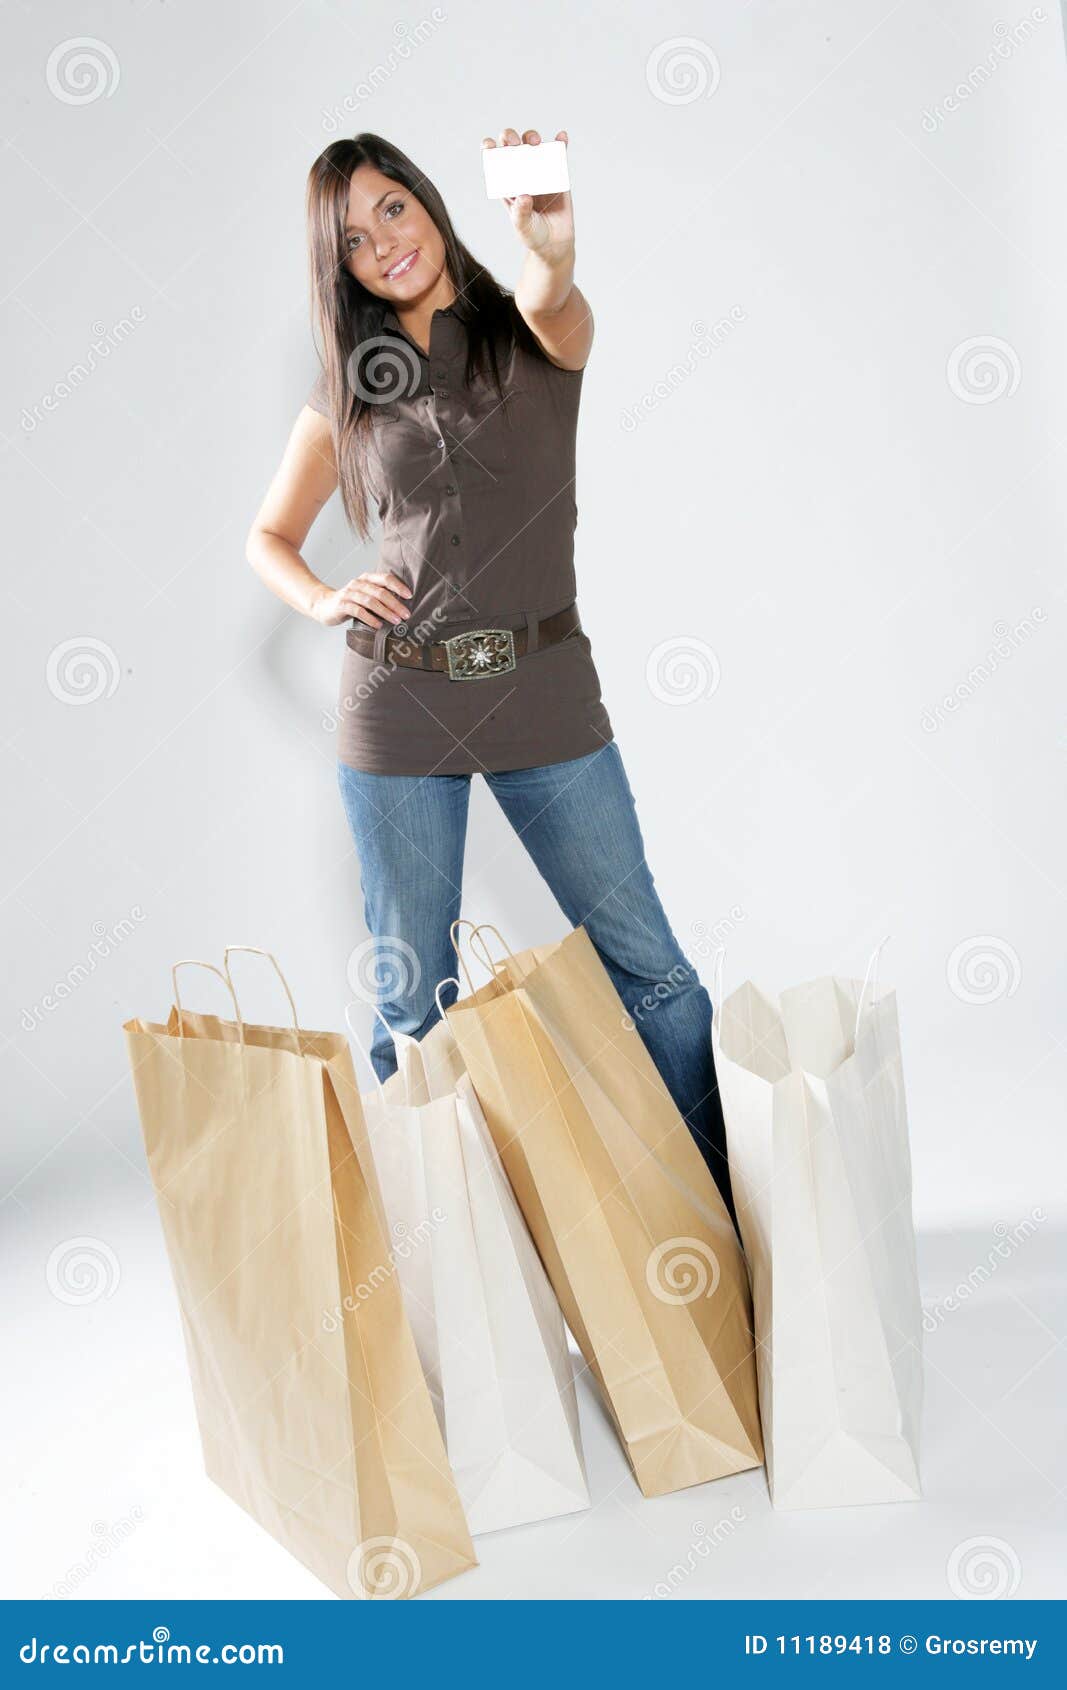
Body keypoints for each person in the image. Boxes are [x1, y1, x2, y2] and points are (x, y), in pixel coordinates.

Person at [246, 125, 735, 1217]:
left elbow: (556, 298)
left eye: (394, 210)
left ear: (427, 205)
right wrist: (325, 598)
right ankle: (447, 1273)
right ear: (341, 270)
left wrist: (551, 248)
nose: (384, 245)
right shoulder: (346, 395)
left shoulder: (527, 334)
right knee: (411, 1005)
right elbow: (267, 538)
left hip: (542, 691)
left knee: (648, 972)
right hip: (398, 705)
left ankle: (722, 1227)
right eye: (356, 239)